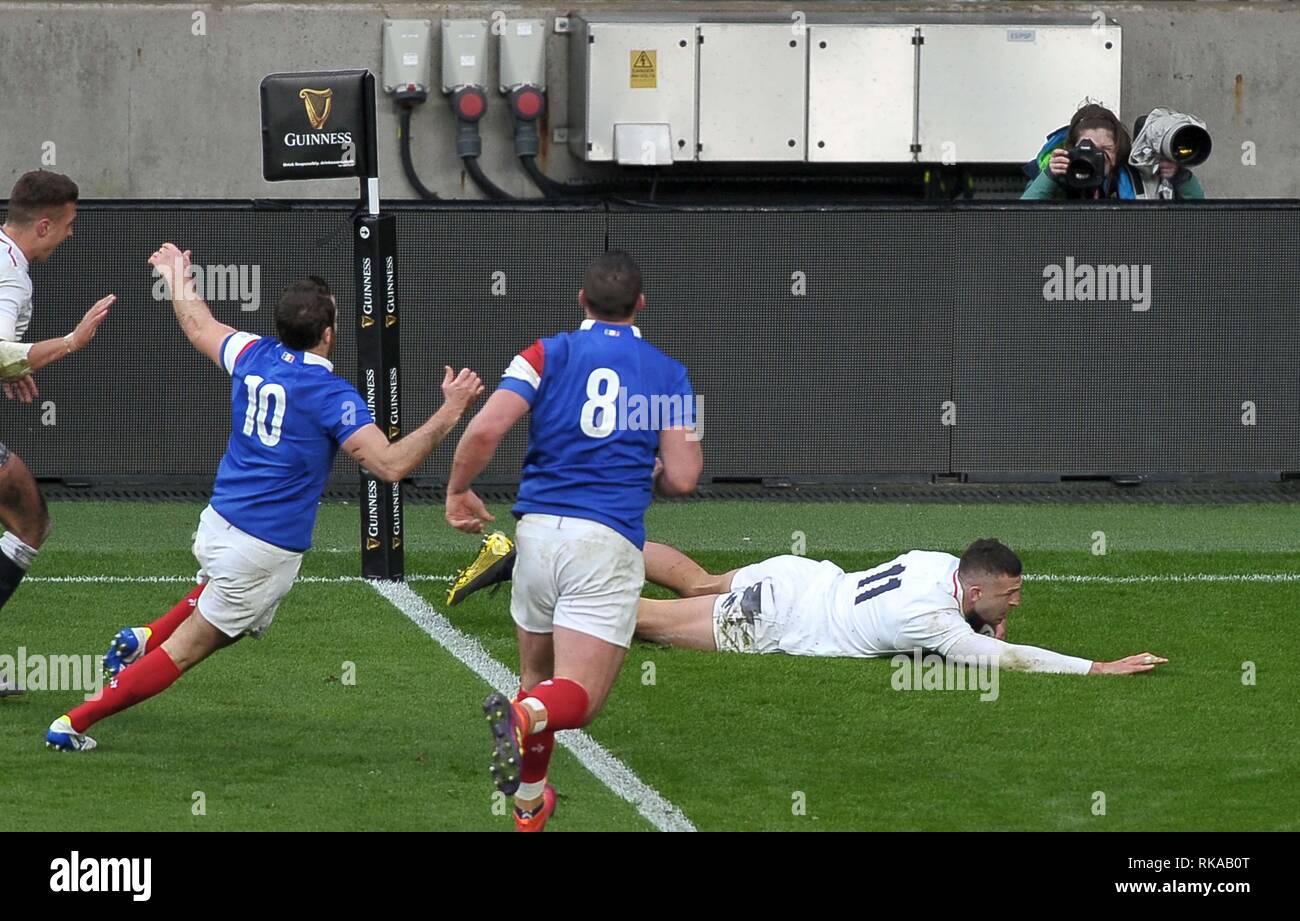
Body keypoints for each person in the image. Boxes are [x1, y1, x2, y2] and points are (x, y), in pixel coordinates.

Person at [44, 242, 483, 749]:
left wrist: (177, 276)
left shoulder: (253, 353)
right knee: (187, 651)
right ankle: (74, 722)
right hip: (260, 550)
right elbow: (389, 465)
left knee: (216, 599)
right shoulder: (331, 394)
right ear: (327, 334)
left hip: (219, 523)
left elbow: (197, 326)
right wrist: (450, 412)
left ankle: (143, 635)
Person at [445, 250, 702, 831]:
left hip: (534, 536)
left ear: (580, 301)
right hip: (603, 542)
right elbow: (684, 475)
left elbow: (486, 429)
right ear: (641, 305)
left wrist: (459, 489)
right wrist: (652, 469)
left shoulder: (545, 352)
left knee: (539, 683)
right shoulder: (666, 371)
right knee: (575, 702)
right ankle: (518, 718)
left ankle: (529, 805)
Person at [450, 535, 1168, 676]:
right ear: (975, 591)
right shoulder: (934, 622)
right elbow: (1003, 655)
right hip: (778, 618)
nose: (1015, 604)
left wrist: (985, 608)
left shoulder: (937, 565)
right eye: (1009, 594)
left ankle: (570, 543)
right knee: (635, 623)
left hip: (797, 574)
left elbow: (980, 612)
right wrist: (1094, 666)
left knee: (695, 581)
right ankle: (535, 570)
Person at [0, 170, 114, 697]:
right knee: (29, 519)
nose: (71, 236)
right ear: (44, 225)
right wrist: (71, 340)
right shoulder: (12, 275)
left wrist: (14, 370)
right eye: (68, 225)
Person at [1020, 103, 1205, 201]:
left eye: (1106, 149)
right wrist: (1050, 176)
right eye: (1088, 147)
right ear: (1071, 149)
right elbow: (1019, 220)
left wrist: (1179, 177)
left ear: (1119, 151)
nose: (1095, 155)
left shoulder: (1139, 178)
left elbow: (1199, 216)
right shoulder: (1058, 176)